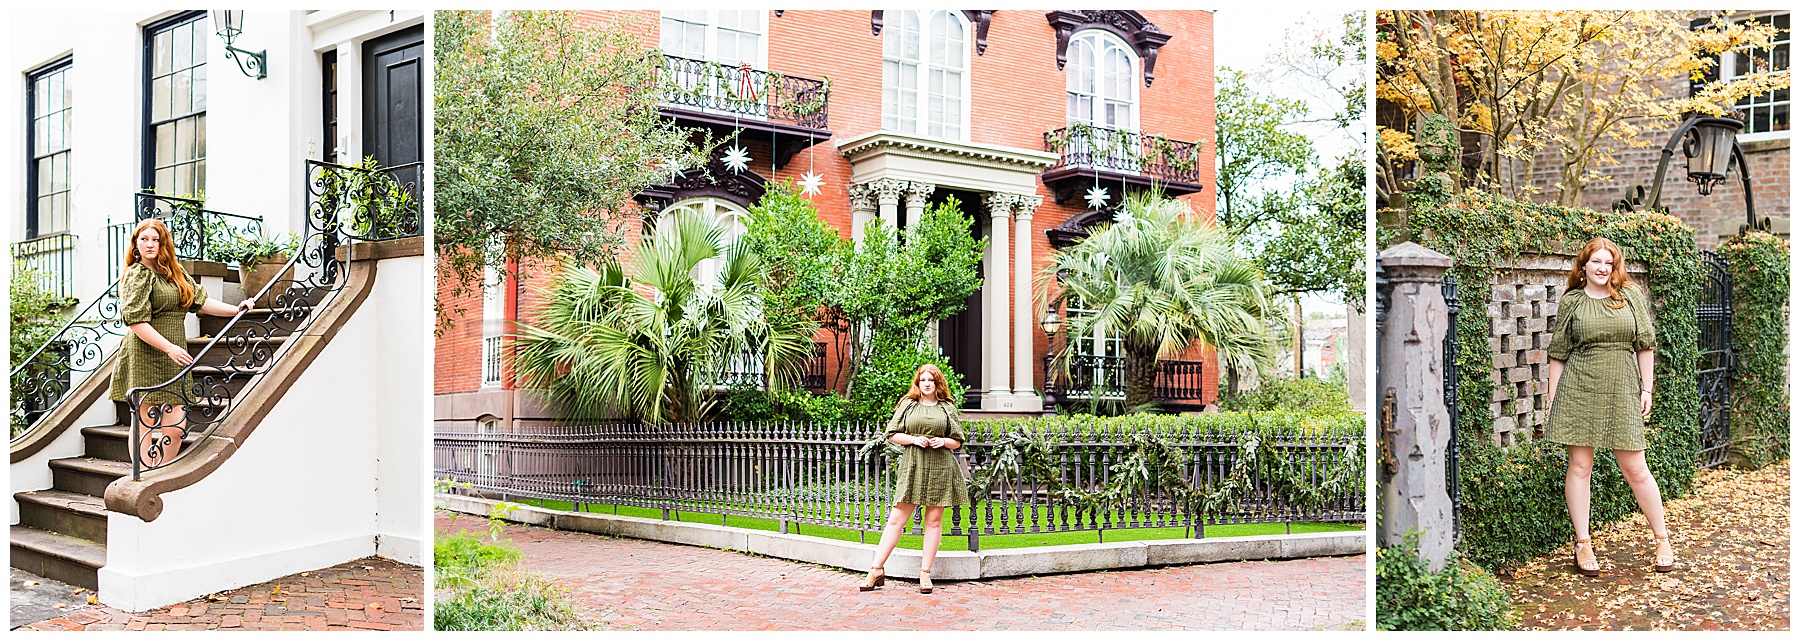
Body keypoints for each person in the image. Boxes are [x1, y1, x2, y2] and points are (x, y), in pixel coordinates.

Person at [1544, 237, 1672, 576]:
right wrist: (1554, 397)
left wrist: (1647, 388)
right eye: (1596, 261)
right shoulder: (1572, 301)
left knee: (1636, 467)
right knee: (1580, 466)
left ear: (1615, 268)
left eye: (1609, 263)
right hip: (1579, 386)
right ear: (1583, 265)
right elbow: (1558, 352)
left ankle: (1662, 538)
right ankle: (1583, 543)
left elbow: (1645, 345)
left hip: (1622, 387)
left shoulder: (1629, 296)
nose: (1603, 268)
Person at [108, 219, 254, 468]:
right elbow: (134, 321)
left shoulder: (175, 272)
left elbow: (200, 301)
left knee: (175, 426)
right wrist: (169, 348)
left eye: (155, 239)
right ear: (135, 244)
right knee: (144, 422)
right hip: (145, 351)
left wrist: (236, 309)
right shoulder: (137, 274)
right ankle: (143, 475)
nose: (150, 244)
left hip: (175, 353)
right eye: (144, 239)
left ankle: (160, 473)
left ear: (164, 243)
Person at [860, 364, 969, 594]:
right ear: (918, 383)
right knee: (897, 519)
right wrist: (913, 439)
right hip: (913, 464)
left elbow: (957, 439)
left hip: (940, 465)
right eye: (923, 380)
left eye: (931, 380)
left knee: (933, 521)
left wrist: (944, 442)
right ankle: (876, 569)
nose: (927, 383)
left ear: (937, 383)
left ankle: (925, 573)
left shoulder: (946, 407)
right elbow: (892, 434)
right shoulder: (908, 405)